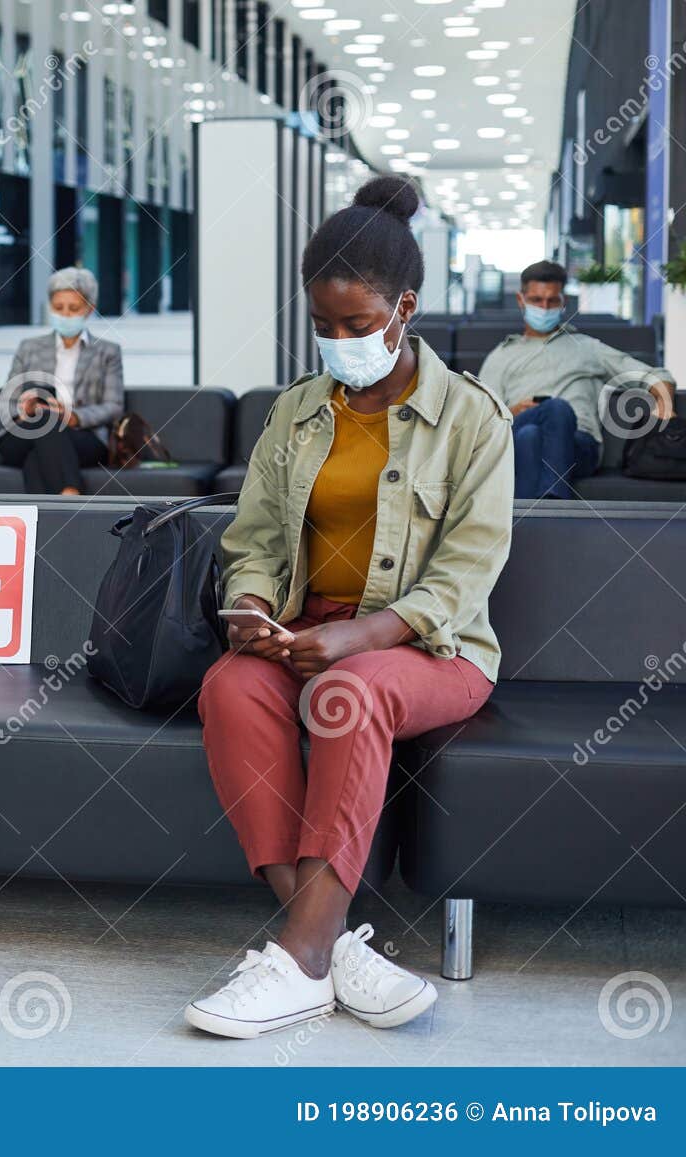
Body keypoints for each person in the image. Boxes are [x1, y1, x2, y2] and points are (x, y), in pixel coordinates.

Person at [188, 176, 513, 1039]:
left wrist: (360, 635)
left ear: (405, 307)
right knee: (229, 687)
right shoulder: (296, 411)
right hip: (308, 627)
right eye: (323, 326)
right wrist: (252, 605)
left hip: (430, 646)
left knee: (351, 691)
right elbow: (253, 537)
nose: (338, 341)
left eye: (357, 323)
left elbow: (465, 573)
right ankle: (334, 947)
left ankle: (294, 962)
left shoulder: (470, 418)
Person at [477, 259, 676, 499]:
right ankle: (554, 506)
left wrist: (664, 401)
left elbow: (654, 375)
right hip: (515, 435)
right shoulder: (501, 356)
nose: (544, 307)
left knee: (550, 416)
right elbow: (481, 421)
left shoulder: (588, 348)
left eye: (552, 301)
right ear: (521, 300)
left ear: (563, 303)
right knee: (530, 432)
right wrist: (513, 410)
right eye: (536, 300)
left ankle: (526, 523)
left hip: (579, 445)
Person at [0, 267, 125, 494]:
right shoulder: (29, 348)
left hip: (82, 436)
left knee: (39, 454)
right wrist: (24, 409)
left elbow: (113, 407)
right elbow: (7, 401)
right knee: (45, 418)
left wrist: (73, 417)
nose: (65, 314)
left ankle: (53, 513)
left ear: (89, 310)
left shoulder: (107, 352)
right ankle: (71, 496)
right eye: (58, 308)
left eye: (73, 308)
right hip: (22, 434)